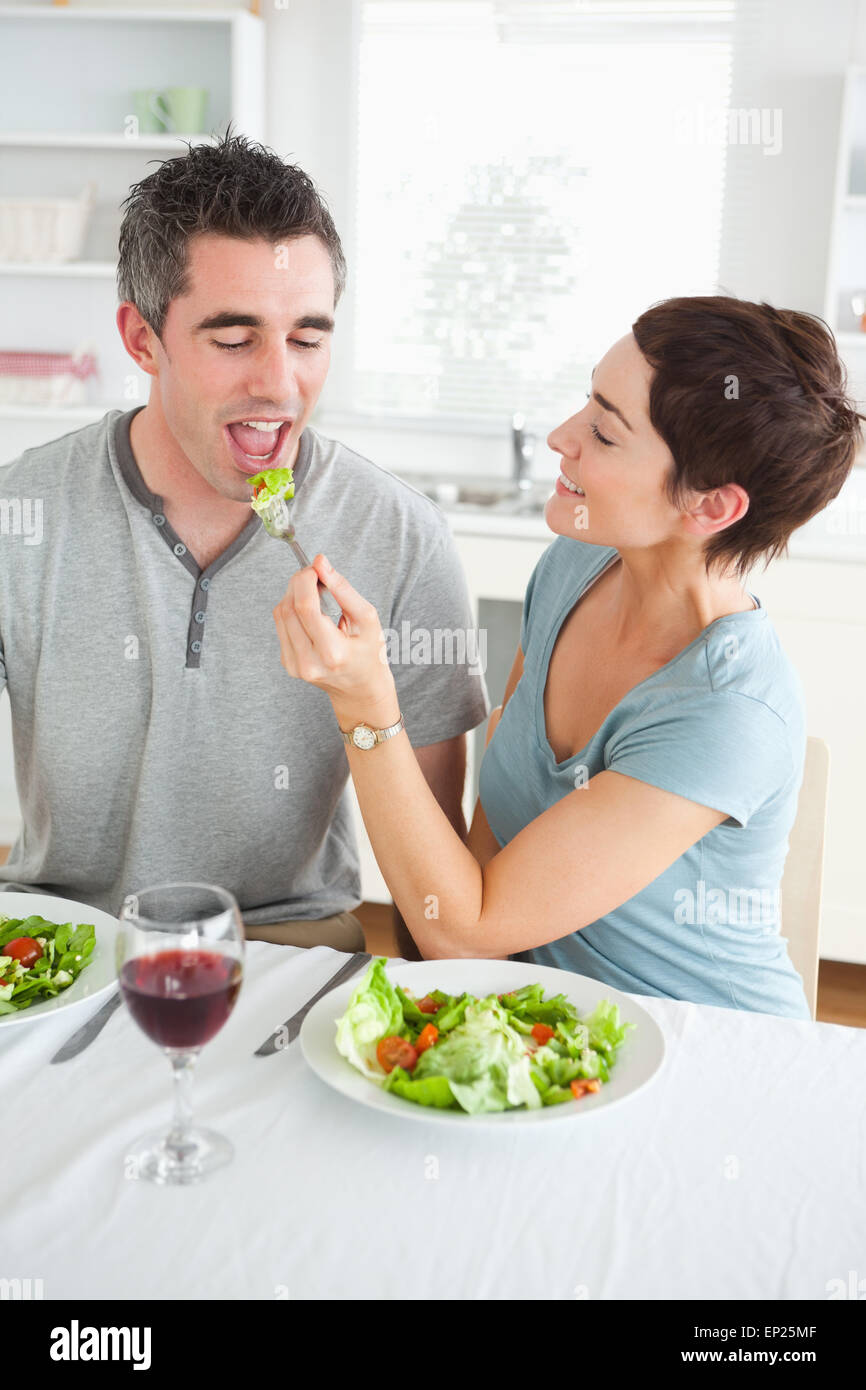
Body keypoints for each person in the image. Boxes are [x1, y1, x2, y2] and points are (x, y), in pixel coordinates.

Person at [272, 295, 864, 1017]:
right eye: (588, 401)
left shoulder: (728, 712)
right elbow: (477, 884)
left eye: (605, 434)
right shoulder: (574, 566)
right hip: (551, 1026)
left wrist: (365, 705)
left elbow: (465, 929)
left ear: (711, 507)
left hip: (699, 1052)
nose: (561, 437)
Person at [0, 131, 488, 949]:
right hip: (59, 944)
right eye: (233, 339)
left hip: (289, 947)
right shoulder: (23, 514)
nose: (278, 383)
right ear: (141, 338)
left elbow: (432, 899)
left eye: (307, 338)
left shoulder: (401, 537)